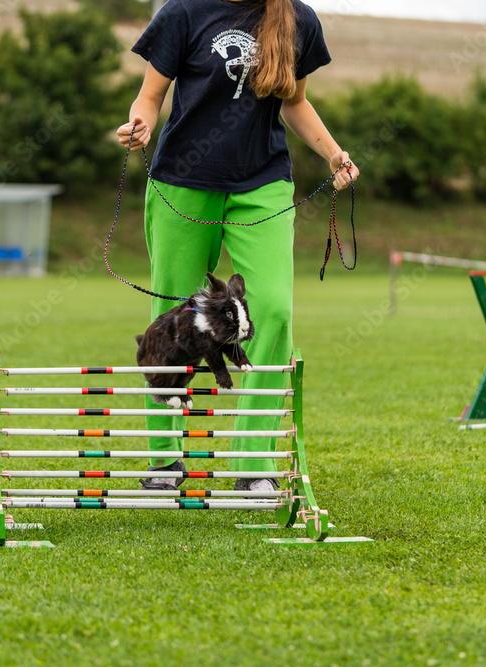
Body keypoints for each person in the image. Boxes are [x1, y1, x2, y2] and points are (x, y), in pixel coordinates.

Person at [117, 0, 360, 494]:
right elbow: (149, 97)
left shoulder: (298, 19)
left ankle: (253, 461)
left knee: (272, 309)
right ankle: (164, 460)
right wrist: (139, 124)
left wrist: (334, 153)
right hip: (182, 182)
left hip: (262, 184)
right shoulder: (183, 12)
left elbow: (294, 102)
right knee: (172, 314)